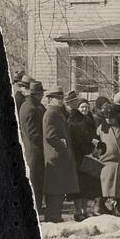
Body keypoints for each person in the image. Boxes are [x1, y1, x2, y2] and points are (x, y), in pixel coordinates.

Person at [42, 87, 79, 223]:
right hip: (56, 156)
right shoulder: (51, 113)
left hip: (59, 156)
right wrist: (63, 148)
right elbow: (50, 136)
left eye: (61, 98)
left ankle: (55, 216)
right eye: (57, 98)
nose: (60, 101)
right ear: (50, 99)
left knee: (58, 189)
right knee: (55, 190)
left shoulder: (56, 113)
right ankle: (53, 217)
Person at [66, 93, 101, 220]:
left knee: (87, 185)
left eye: (86, 107)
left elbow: (95, 136)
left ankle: (85, 210)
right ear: (78, 109)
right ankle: (77, 211)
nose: (85, 110)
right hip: (78, 156)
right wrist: (90, 141)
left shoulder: (91, 121)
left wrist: (96, 144)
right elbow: (75, 139)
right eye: (82, 108)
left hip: (89, 155)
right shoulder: (73, 121)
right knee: (78, 185)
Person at [96, 103, 120, 217]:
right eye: (106, 118)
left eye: (110, 118)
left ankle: (119, 205)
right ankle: (99, 205)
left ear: (116, 117)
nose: (108, 120)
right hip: (107, 161)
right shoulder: (102, 128)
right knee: (107, 185)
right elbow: (96, 143)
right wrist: (99, 155)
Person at [18, 80, 46, 213]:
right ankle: (36, 209)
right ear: (38, 94)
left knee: (35, 181)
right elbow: (34, 134)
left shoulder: (26, 105)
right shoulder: (32, 109)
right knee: (36, 182)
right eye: (41, 94)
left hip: (30, 150)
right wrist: (45, 145)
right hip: (35, 152)